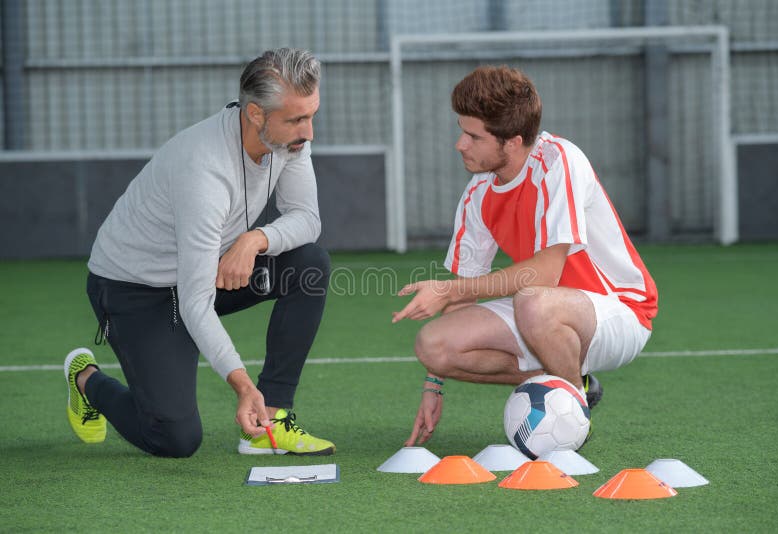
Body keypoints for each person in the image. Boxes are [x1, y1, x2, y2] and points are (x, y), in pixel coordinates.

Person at [64, 48, 336, 457]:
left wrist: (253, 239)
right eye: (297, 119)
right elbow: (194, 303)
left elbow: (306, 218)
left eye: (311, 115)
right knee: (174, 439)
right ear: (256, 114)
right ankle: (86, 379)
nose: (308, 131)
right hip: (135, 290)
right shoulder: (203, 170)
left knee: (309, 263)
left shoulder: (290, 142)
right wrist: (243, 386)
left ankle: (269, 424)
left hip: (206, 269)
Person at [393, 66, 658, 447]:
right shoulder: (478, 192)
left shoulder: (558, 161)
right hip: (543, 312)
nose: (460, 144)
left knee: (533, 301)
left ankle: (574, 415)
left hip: (621, 310)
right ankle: (570, 379)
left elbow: (547, 273)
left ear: (513, 142)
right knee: (433, 344)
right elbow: (465, 292)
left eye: (473, 136)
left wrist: (447, 290)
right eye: (461, 131)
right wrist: (434, 383)